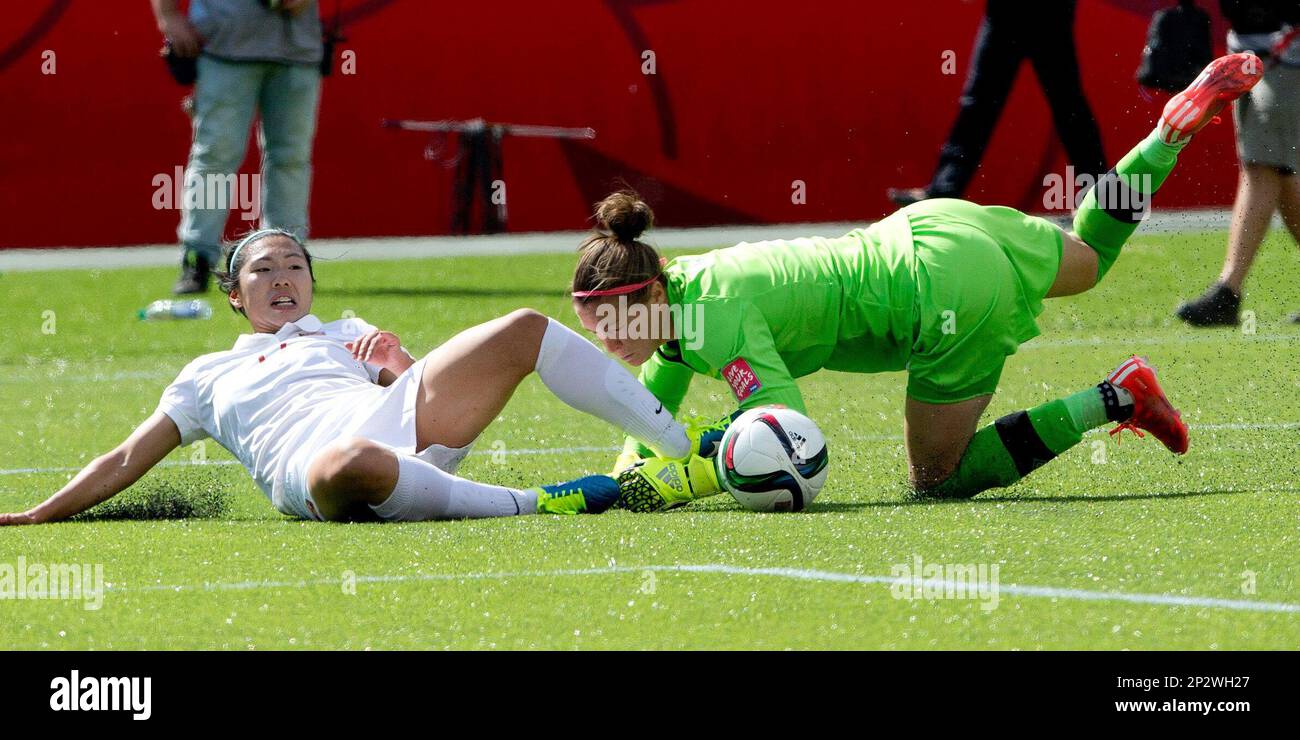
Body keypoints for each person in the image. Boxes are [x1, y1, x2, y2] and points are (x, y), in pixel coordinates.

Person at [574, 55, 1260, 512]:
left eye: (616, 320)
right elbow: (646, 420)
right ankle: (1166, 136)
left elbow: (780, 424)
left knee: (935, 480)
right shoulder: (675, 297)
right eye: (595, 326)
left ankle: (1114, 397)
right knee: (1089, 256)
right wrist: (626, 483)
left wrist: (686, 476)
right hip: (932, 229)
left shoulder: (712, 313)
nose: (609, 340)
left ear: (653, 294)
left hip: (941, 292)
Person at [0, 229, 714, 526]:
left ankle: (682, 450)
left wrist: (392, 364)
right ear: (233, 294)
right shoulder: (202, 375)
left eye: (295, 267)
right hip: (320, 470)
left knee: (524, 325)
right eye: (264, 270)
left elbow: (419, 389)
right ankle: (534, 502)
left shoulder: (345, 332)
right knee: (352, 460)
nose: (284, 279)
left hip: (401, 428)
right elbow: (127, 457)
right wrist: (40, 514)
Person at [150, 0, 324, 295]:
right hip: (223, 47)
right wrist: (168, 15)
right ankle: (198, 258)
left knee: (291, 157)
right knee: (215, 155)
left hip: (296, 50)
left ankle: (288, 259)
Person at [887, 0, 1108, 206]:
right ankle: (944, 188)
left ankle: (1099, 194)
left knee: (1067, 103)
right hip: (1006, 12)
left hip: (1046, 12)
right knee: (978, 102)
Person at [1176, 1, 1300, 326]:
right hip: (1245, 52)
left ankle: (1227, 292)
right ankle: (1227, 294)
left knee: (1263, 166)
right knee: (1279, 174)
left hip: (1288, 48)